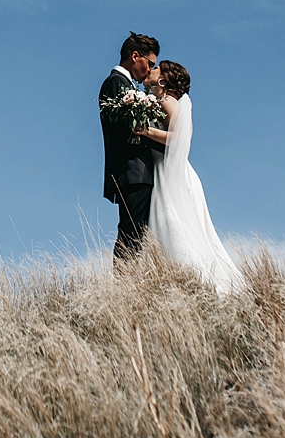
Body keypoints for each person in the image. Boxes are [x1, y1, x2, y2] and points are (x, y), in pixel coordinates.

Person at [146, 61, 245, 293]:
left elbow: (178, 137)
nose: (150, 69)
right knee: (173, 222)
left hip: (170, 171)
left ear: (163, 80)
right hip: (168, 170)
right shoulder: (161, 100)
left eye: (156, 68)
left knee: (172, 221)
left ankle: (196, 279)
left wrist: (146, 131)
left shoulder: (166, 100)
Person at [100, 32, 162, 264]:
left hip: (136, 172)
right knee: (131, 234)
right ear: (136, 56)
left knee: (137, 233)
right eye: (150, 63)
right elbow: (126, 129)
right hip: (133, 171)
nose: (150, 70)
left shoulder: (125, 85)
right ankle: (123, 280)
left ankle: (129, 278)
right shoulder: (115, 83)